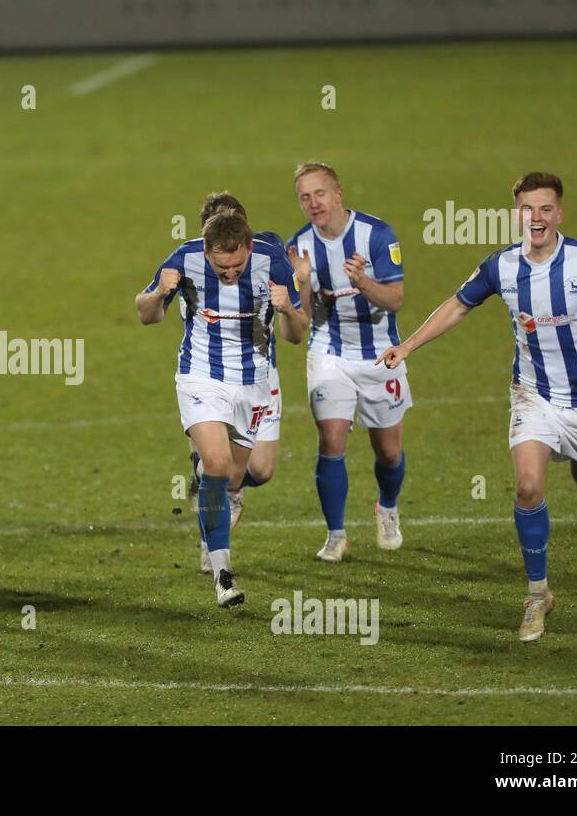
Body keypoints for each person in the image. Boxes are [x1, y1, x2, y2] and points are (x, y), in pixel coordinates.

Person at [376, 172, 577, 642]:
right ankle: (537, 594)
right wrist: (408, 346)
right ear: (517, 214)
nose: (536, 218)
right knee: (528, 486)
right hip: (533, 394)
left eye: (545, 209)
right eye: (528, 209)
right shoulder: (501, 267)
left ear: (558, 215)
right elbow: (457, 305)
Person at [136, 210, 308, 608]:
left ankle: (202, 478)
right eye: (221, 266)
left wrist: (288, 310)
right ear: (207, 251)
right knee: (216, 463)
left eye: (237, 265)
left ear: (249, 248)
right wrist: (159, 293)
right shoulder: (184, 258)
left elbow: (297, 336)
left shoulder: (274, 261)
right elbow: (146, 315)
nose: (229, 274)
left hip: (253, 383)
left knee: (234, 478)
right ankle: (223, 575)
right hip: (200, 376)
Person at [287, 162, 410, 563]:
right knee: (331, 438)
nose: (313, 203)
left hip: (380, 355)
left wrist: (362, 283)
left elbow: (395, 300)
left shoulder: (377, 234)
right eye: (305, 197)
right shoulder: (299, 246)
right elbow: (298, 327)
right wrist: (302, 283)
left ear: (338, 193)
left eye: (319, 193)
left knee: (389, 452)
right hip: (329, 353)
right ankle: (336, 534)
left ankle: (387, 508)